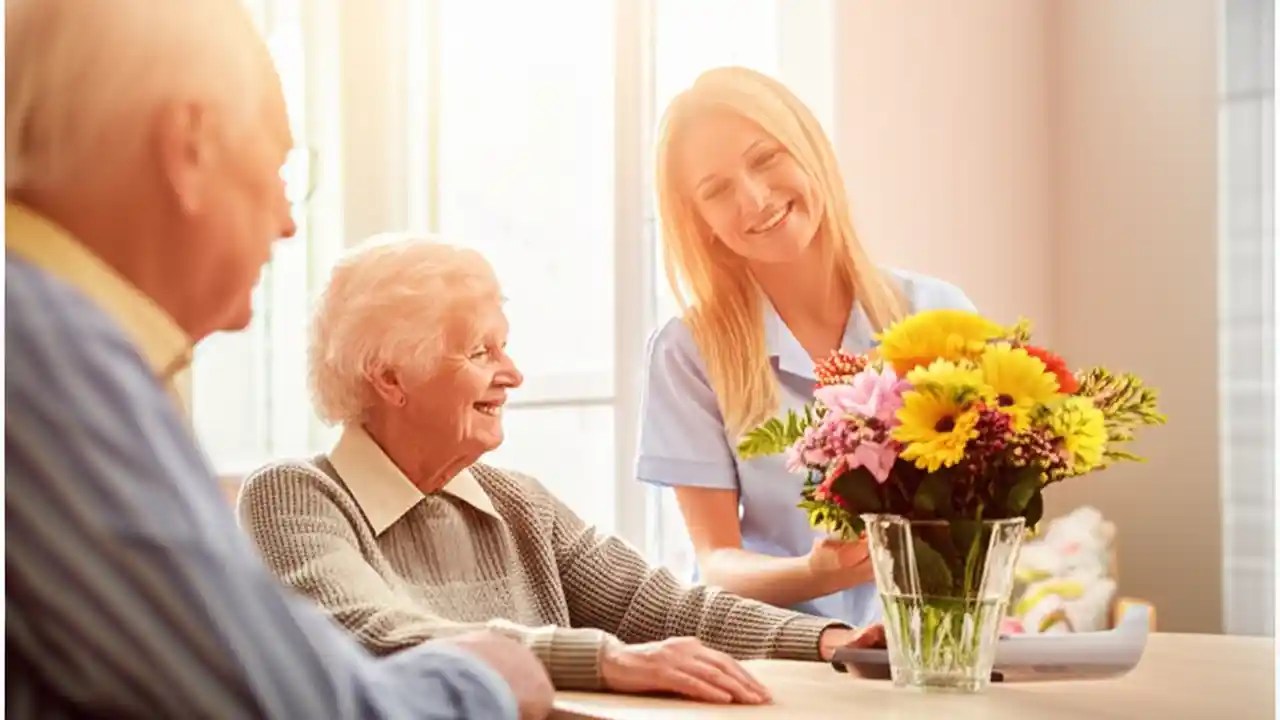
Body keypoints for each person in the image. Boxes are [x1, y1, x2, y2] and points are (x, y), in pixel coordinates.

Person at [5, 1, 553, 718]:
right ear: (191, 146)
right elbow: (286, 704)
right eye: (281, 168)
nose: (289, 220)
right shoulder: (51, 360)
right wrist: (487, 678)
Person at [236, 234, 886, 706]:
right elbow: (381, 631)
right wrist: (604, 658)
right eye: (478, 351)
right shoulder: (296, 497)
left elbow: (663, 608)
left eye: (505, 345)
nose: (512, 373)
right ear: (389, 378)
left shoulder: (519, 503)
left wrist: (832, 640)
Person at [636, 66, 979, 628]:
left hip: (930, 646)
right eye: (717, 191)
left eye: (766, 158)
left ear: (808, 150)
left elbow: (985, 520)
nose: (753, 198)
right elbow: (717, 564)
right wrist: (815, 575)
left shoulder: (938, 316)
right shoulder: (688, 353)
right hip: (779, 654)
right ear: (702, 225)